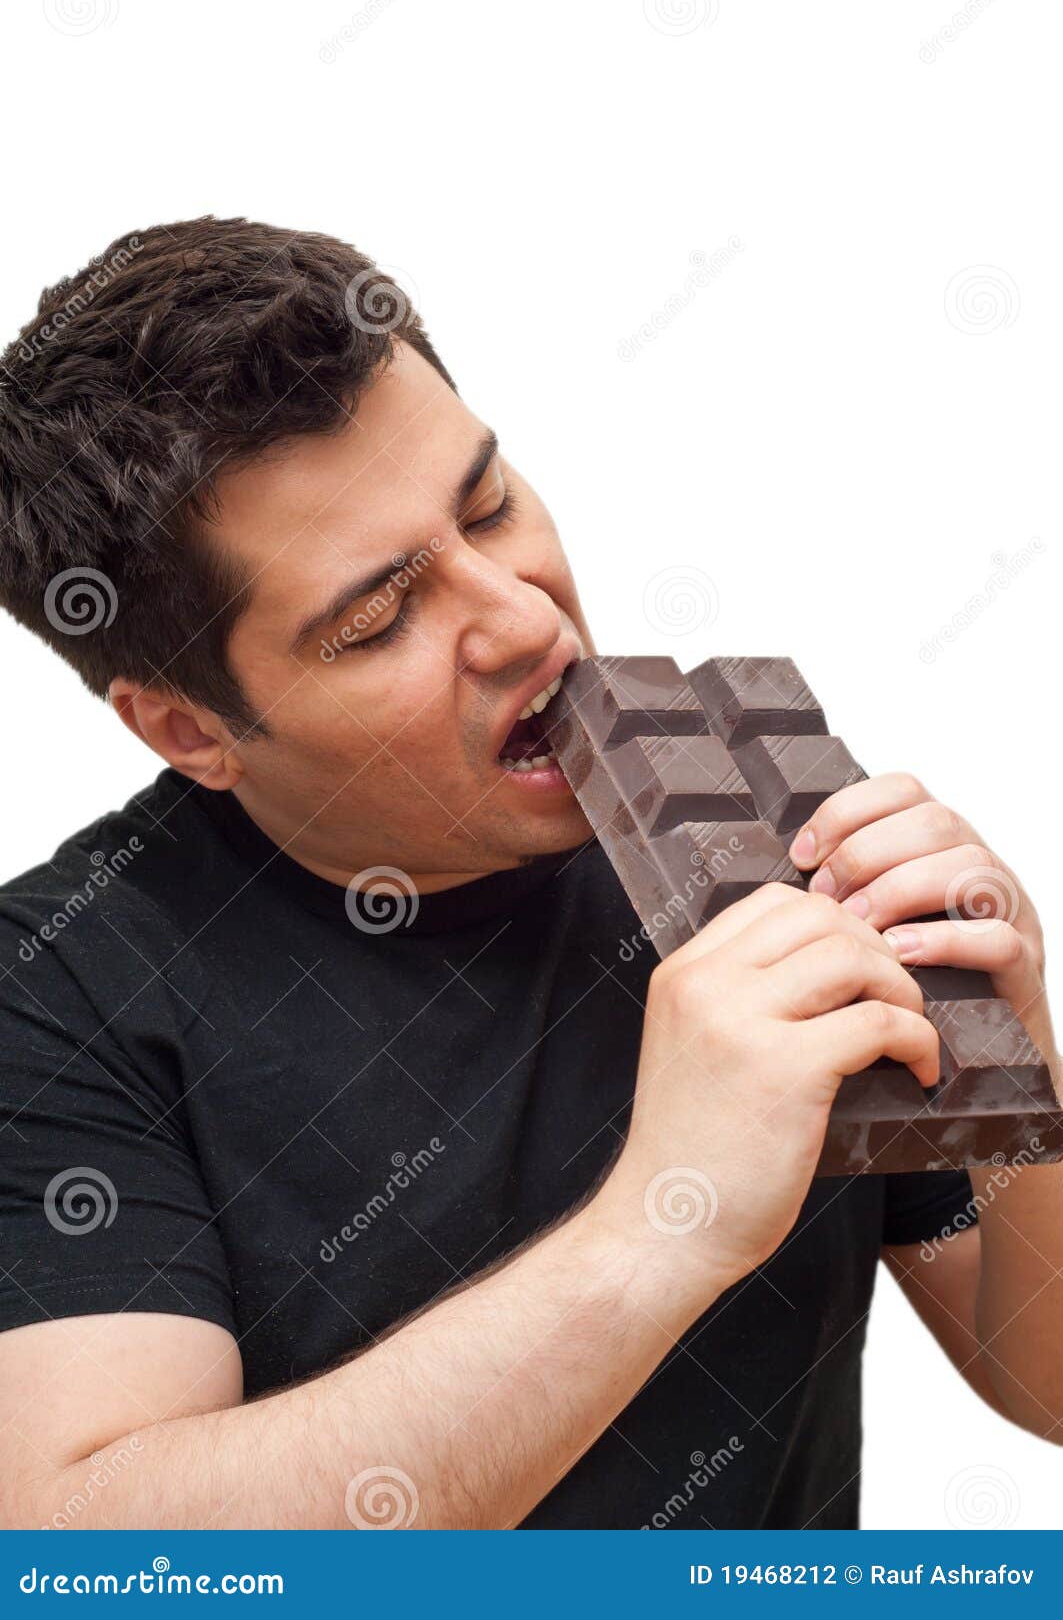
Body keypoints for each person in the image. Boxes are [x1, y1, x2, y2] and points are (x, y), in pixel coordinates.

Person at [0, 217, 1058, 1531]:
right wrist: (663, 1225)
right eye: (381, 616)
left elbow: (1048, 1381)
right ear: (189, 728)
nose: (525, 616)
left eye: (488, 503)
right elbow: (90, 1557)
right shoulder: (55, 990)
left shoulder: (757, 820)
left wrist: (1021, 1074)